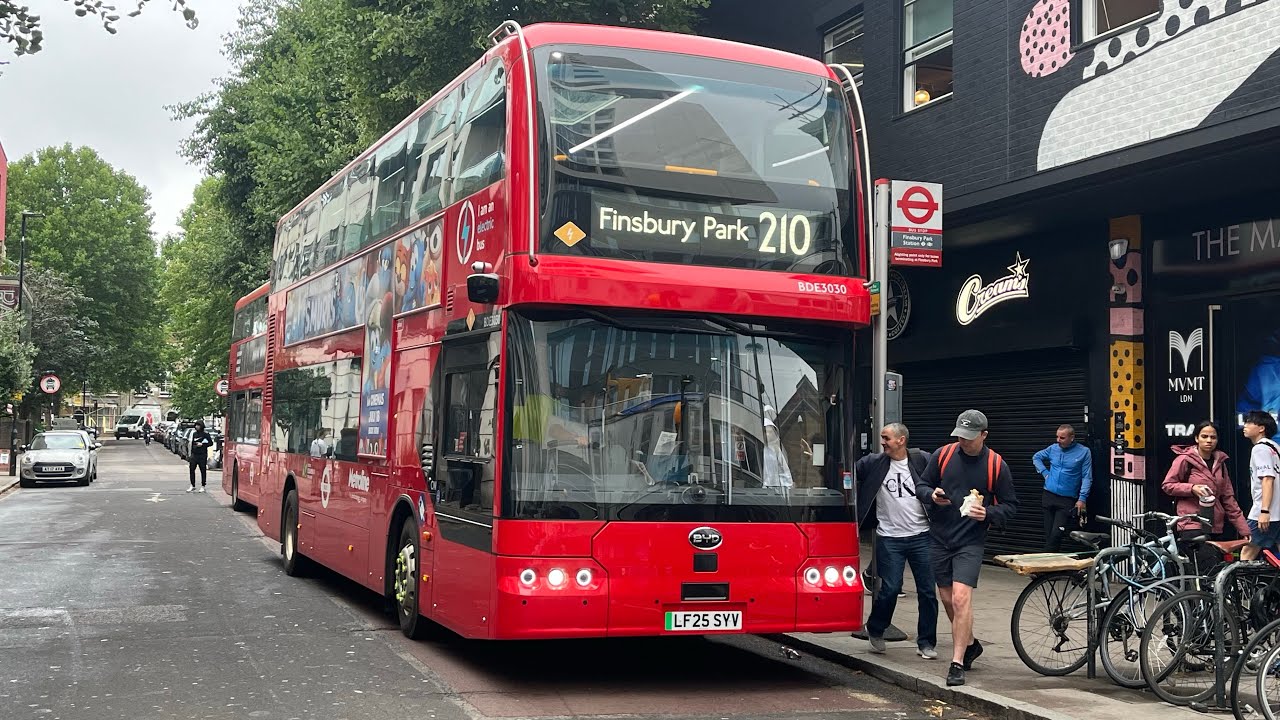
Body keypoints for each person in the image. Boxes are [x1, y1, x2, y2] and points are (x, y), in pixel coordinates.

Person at [916, 409, 1019, 687]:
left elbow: (1011, 506)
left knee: (961, 599)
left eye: (970, 437)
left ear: (984, 435)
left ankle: (957, 662)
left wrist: (988, 514)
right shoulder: (943, 454)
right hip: (939, 537)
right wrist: (932, 495)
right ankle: (971, 643)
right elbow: (922, 485)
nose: (963, 441)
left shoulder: (997, 465)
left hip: (970, 541)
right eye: (960, 435)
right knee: (948, 600)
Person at [854, 422, 938, 659]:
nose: (883, 442)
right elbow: (846, 472)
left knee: (927, 592)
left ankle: (926, 642)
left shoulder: (922, 460)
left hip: (922, 535)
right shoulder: (873, 463)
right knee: (889, 588)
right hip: (889, 537)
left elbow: (942, 478)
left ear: (901, 440)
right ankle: (876, 628)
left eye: (886, 438)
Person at [1161, 420, 1250, 572]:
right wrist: (1192, 488)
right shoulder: (1184, 460)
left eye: (1213, 437)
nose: (1209, 440)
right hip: (1191, 523)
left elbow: (1228, 499)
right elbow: (1167, 485)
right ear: (1196, 438)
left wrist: (1244, 530)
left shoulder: (1220, 463)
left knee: (1214, 572)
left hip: (1215, 526)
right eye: (1204, 436)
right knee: (1205, 570)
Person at [1032, 424, 1093, 551]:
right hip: (1049, 495)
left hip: (1067, 499)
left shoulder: (1084, 452)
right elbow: (1036, 457)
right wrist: (1045, 473)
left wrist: (1082, 499)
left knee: (1056, 534)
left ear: (1072, 437)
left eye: (1062, 438)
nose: (1058, 440)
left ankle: (1044, 566)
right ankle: (1051, 568)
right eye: (1057, 437)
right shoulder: (1053, 448)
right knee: (1049, 535)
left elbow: (1087, 476)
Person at [1241, 411, 1280, 561]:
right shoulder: (1275, 447)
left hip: (1265, 511)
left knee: (1247, 552)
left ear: (1261, 428)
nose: (1245, 426)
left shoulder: (1260, 449)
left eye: (1249, 423)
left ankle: (1241, 585)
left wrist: (1264, 511)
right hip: (1278, 512)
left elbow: (1267, 479)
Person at [187, 421, 213, 493]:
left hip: (202, 455)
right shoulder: (194, 434)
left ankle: (203, 486)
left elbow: (210, 443)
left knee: (203, 470)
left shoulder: (205, 434)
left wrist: (203, 444)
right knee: (192, 469)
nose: (196, 427)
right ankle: (192, 485)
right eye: (196, 426)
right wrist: (190, 454)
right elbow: (192, 443)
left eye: (198, 425)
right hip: (194, 454)